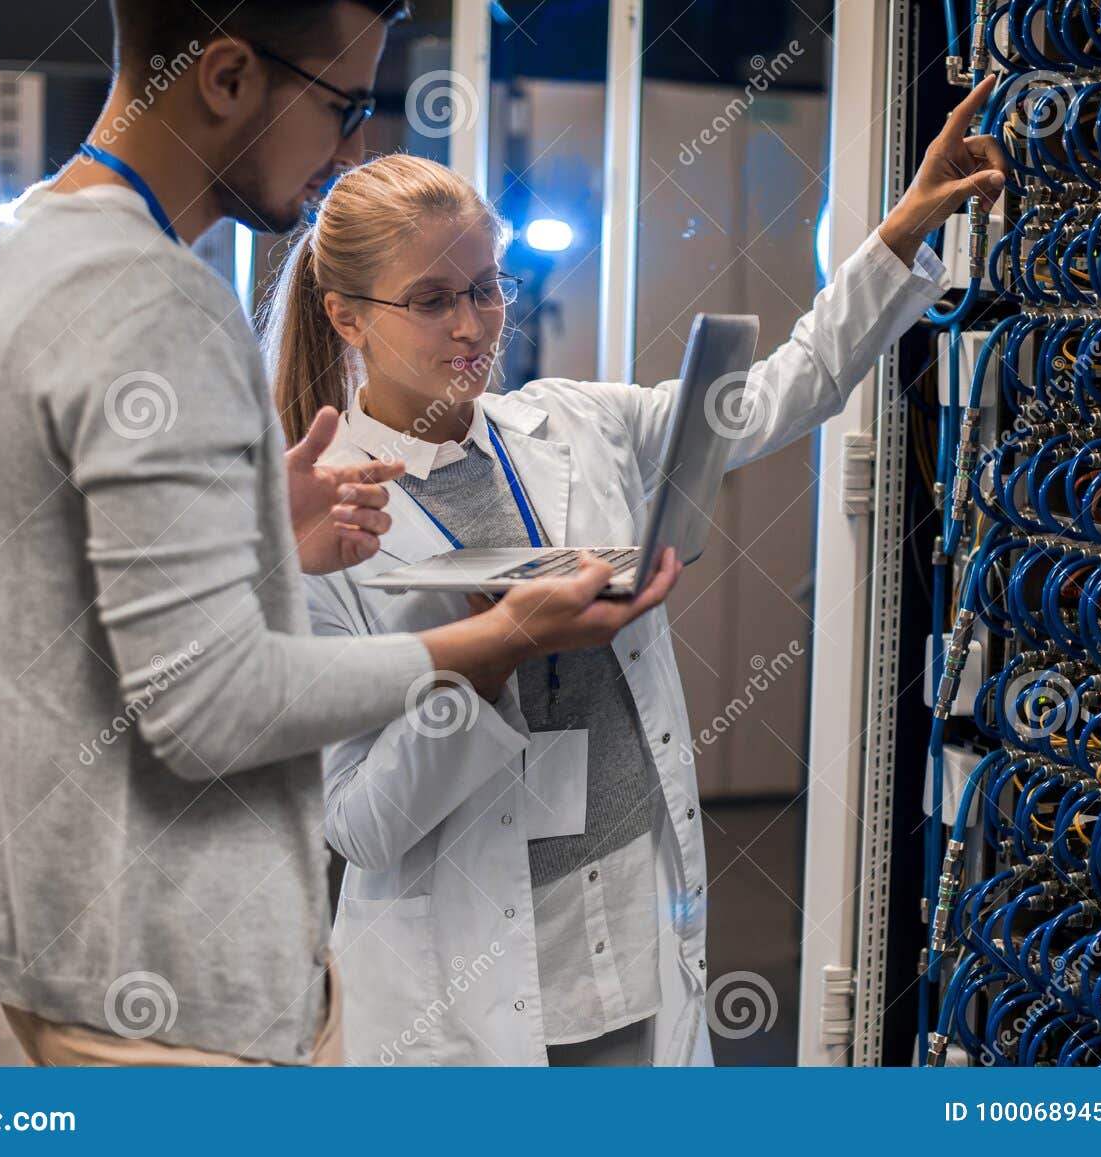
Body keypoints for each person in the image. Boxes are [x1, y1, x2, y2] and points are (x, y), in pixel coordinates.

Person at [0, 0, 679, 1068]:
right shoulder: (153, 299)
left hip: (57, 953)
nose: (350, 150)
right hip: (176, 997)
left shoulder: (16, 250)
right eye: (343, 105)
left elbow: (70, 616)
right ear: (227, 76)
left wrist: (255, 547)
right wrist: (498, 639)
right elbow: (206, 705)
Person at [264, 79, 1008, 1065]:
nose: (471, 327)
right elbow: (361, 823)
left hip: (634, 941)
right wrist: (493, 650)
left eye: (486, 286)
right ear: (346, 318)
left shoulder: (577, 423)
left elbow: (792, 387)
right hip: (463, 992)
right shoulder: (321, 522)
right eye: (432, 300)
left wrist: (902, 232)